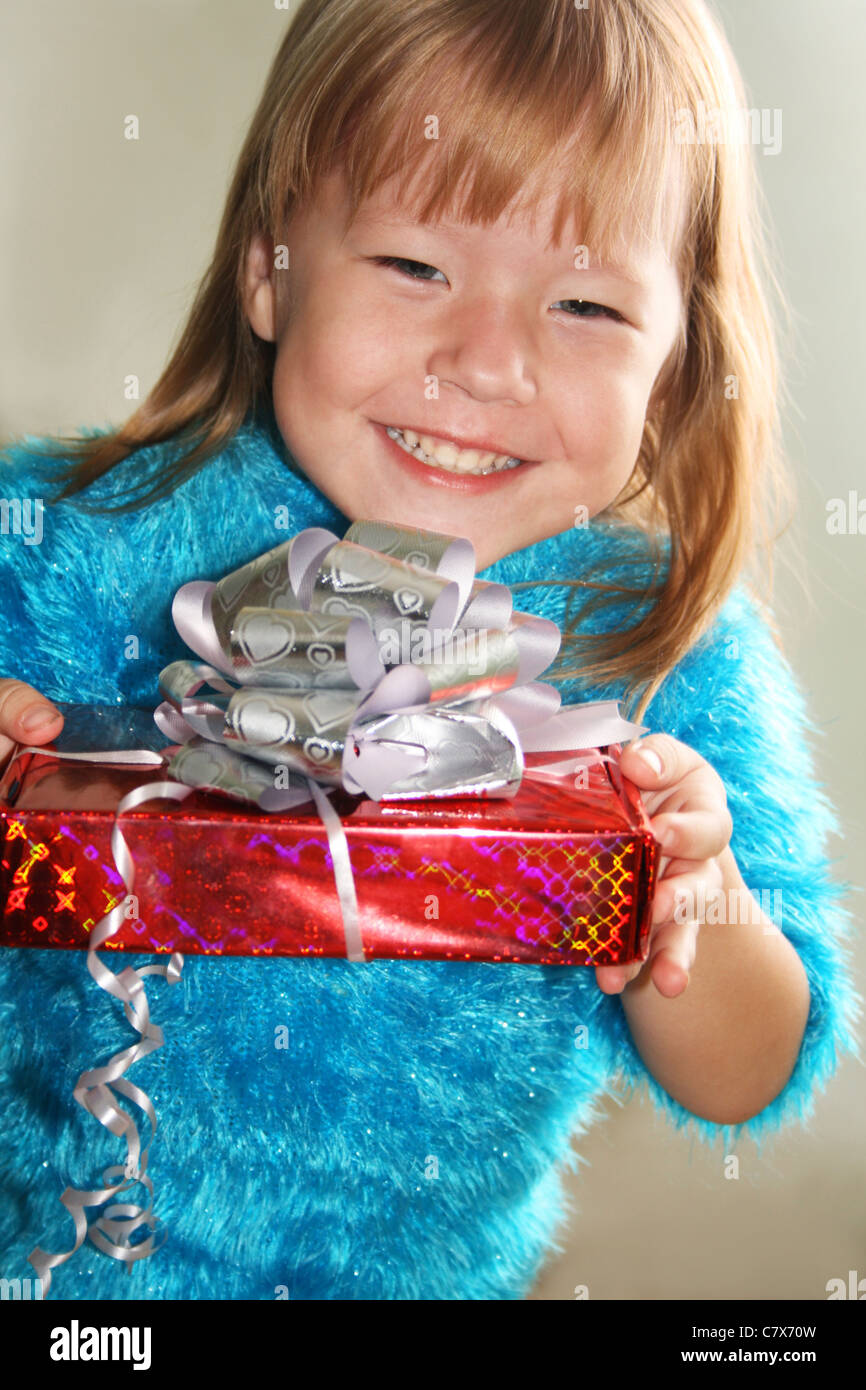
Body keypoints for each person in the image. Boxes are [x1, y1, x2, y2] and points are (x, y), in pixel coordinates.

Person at [0, 0, 859, 1301]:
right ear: (271, 270)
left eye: (582, 304)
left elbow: (748, 1070)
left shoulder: (658, 641)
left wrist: (699, 893)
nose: (487, 359)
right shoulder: (79, 540)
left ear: (673, 369)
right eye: (415, 268)